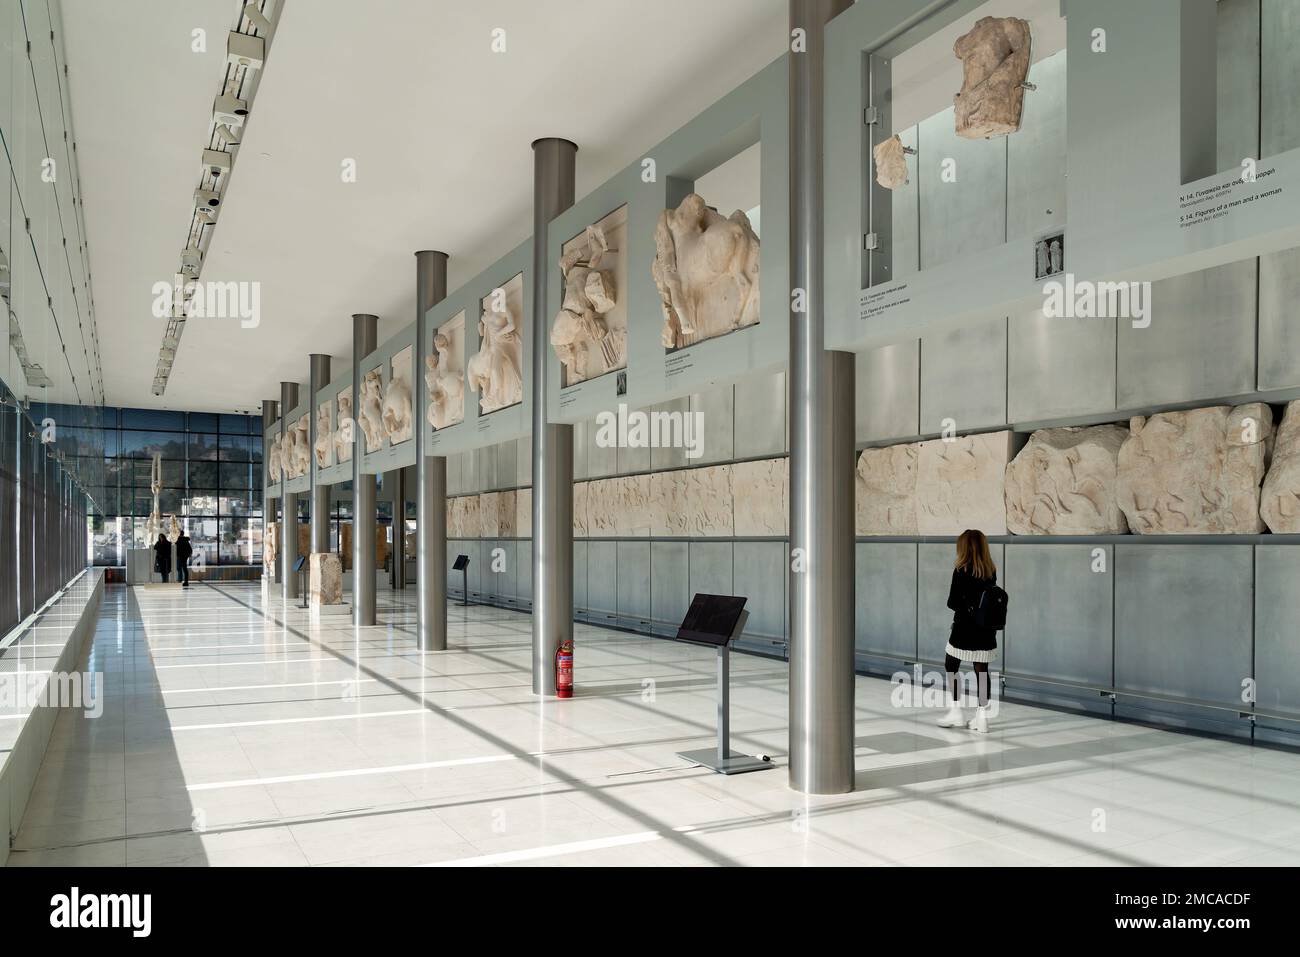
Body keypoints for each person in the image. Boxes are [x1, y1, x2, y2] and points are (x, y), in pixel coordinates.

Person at [938, 529, 998, 733]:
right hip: (986, 630)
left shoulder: (961, 569)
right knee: (981, 671)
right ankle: (982, 719)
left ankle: (956, 712)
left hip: (964, 628)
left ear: (963, 547)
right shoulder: (990, 570)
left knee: (951, 665)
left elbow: (952, 602)